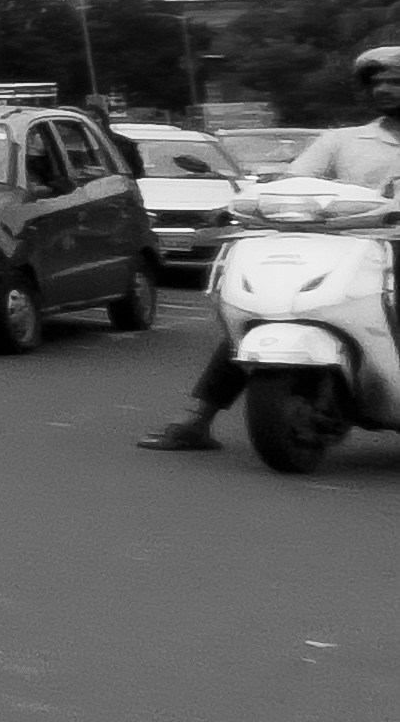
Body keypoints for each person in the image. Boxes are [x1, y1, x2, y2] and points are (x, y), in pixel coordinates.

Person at [140, 46, 400, 452]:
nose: (385, 88)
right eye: (377, 82)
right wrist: (244, 204)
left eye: (395, 81)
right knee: (266, 310)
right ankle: (197, 419)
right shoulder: (343, 141)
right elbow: (294, 183)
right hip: (351, 248)